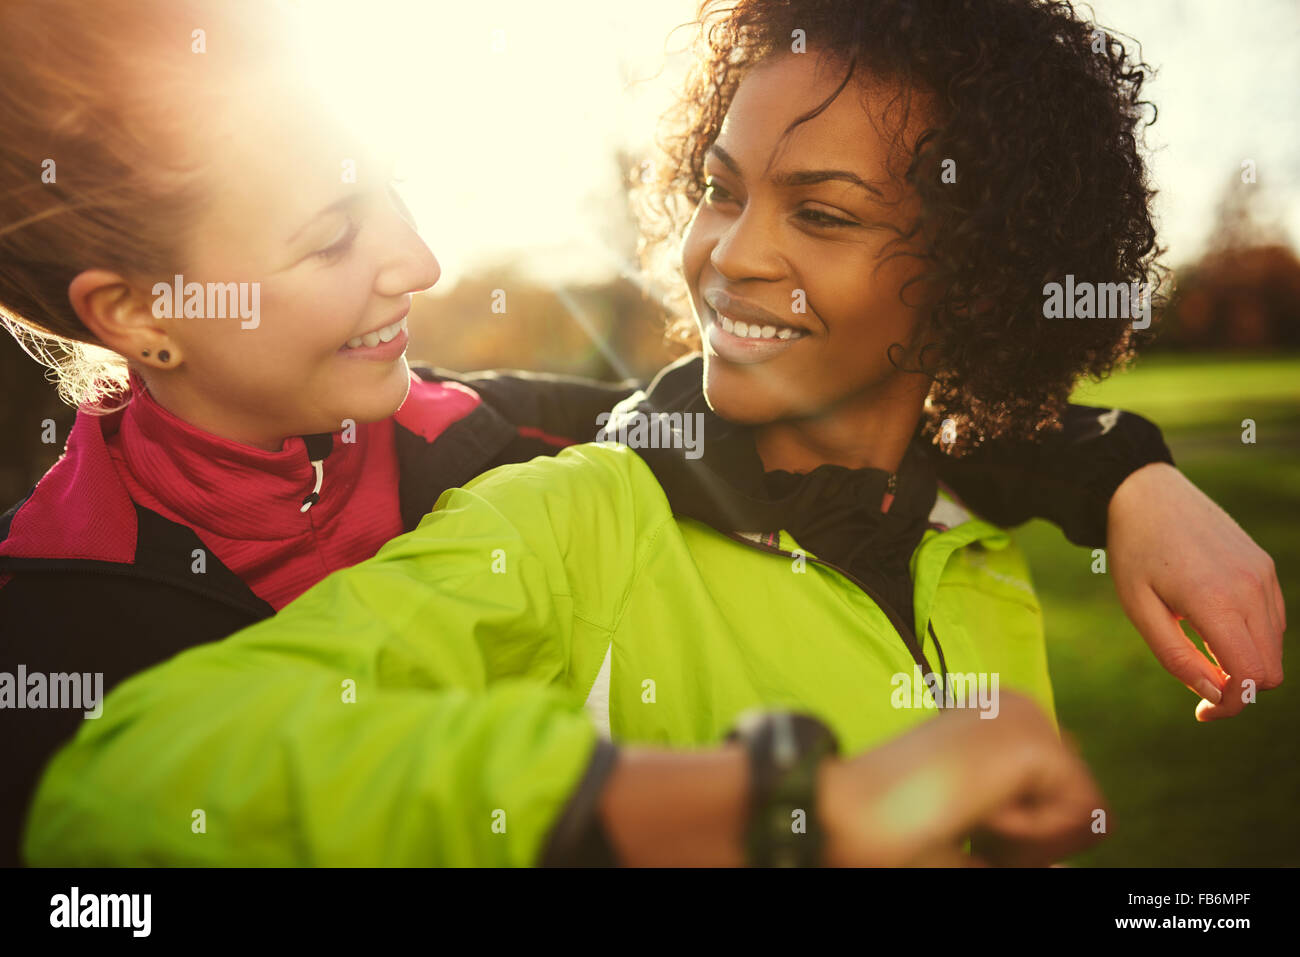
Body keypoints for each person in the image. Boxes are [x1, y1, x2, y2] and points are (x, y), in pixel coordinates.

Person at [16, 0, 1283, 867]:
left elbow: (826, 420)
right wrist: (786, 806)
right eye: (330, 236)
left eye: (822, 214)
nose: (418, 258)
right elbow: (121, 782)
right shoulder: (559, 505)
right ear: (139, 318)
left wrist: (1122, 470)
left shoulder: (481, 426)